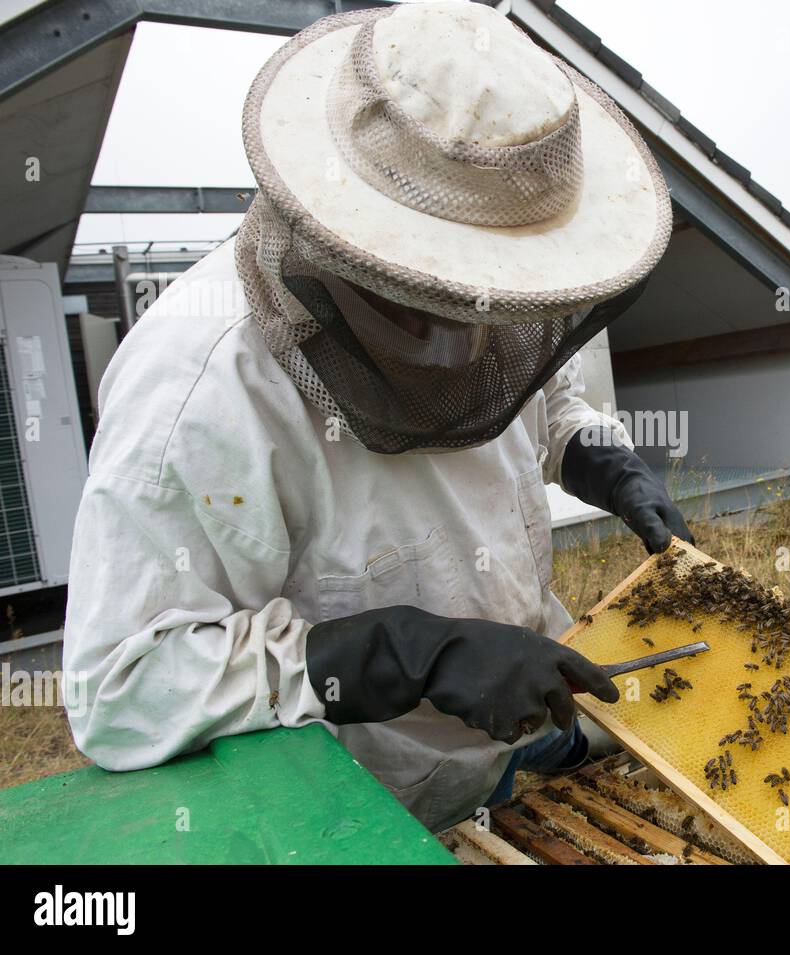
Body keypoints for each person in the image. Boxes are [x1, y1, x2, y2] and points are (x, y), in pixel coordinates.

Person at [63, 0, 691, 833]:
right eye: (435, 297)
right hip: (374, 805)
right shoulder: (197, 391)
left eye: (495, 301)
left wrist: (604, 461)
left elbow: (549, 405)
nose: (472, 336)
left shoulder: (498, 316)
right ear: (337, 243)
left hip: (524, 722)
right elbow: (124, 684)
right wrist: (397, 653)